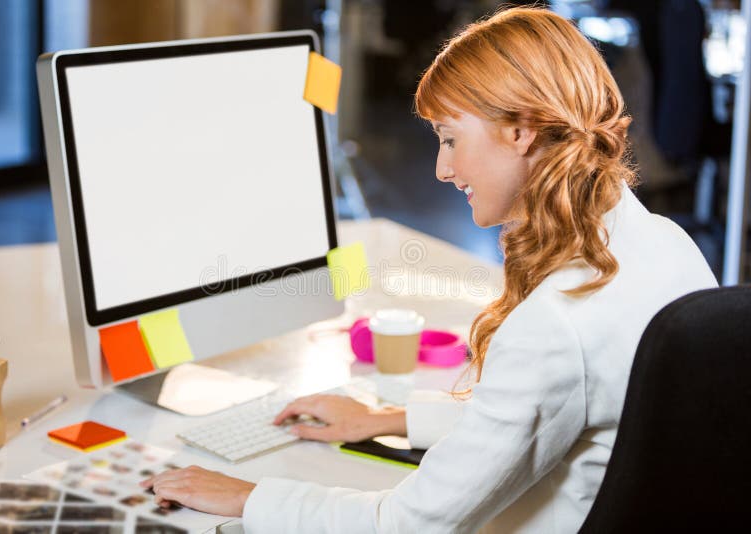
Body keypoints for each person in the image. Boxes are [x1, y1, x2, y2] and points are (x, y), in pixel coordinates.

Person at [140, 7, 717, 532]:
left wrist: (251, 498)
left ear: (519, 131)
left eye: (449, 139)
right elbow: (536, 422)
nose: (442, 169)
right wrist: (384, 419)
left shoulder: (556, 323)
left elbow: (408, 525)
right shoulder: (664, 244)